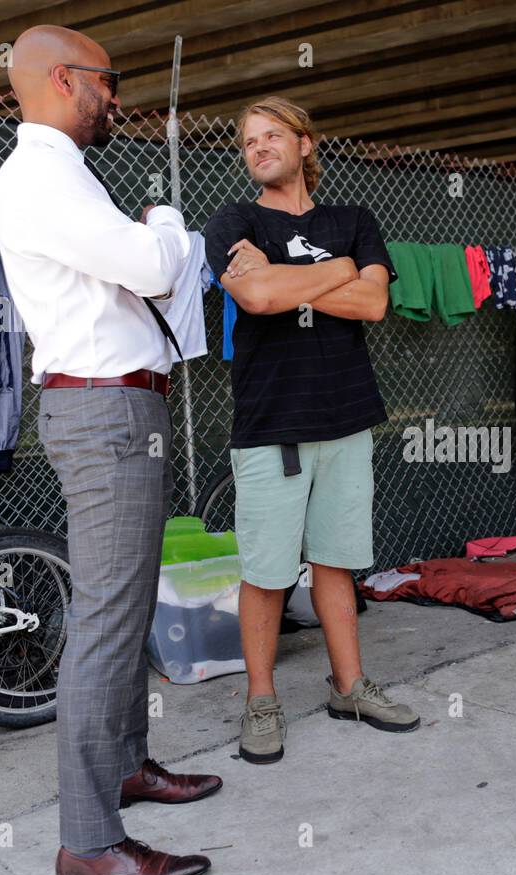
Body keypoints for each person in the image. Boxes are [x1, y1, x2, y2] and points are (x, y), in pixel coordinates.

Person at [0, 25, 220, 875]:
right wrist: (164, 221)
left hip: (118, 406)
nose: (116, 96)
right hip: (105, 410)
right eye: (108, 81)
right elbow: (148, 265)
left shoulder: (61, 174)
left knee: (121, 603)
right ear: (62, 79)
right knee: (106, 619)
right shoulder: (41, 174)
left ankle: (127, 765)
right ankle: (88, 843)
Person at [204, 96, 420, 765]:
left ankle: (349, 685)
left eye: (272, 135)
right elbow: (258, 298)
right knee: (267, 571)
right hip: (272, 424)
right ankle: (260, 699)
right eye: (248, 141)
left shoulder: (353, 218)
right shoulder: (233, 221)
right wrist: (336, 271)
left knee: (337, 561)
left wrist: (286, 278)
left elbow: (375, 302)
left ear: (305, 143)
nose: (259, 147)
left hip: (348, 419)